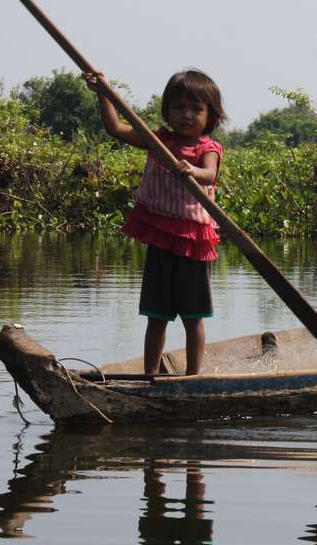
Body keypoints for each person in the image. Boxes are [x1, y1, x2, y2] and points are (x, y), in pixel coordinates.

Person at [83, 69, 225, 375]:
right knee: (156, 315)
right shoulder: (157, 140)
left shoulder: (206, 148)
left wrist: (192, 171)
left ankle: (193, 377)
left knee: (193, 315)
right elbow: (115, 128)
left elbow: (210, 174)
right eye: (179, 108)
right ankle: (150, 376)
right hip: (162, 237)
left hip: (191, 240)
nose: (186, 115)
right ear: (168, 111)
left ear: (209, 116)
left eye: (196, 109)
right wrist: (103, 94)